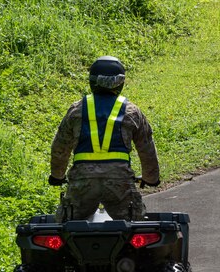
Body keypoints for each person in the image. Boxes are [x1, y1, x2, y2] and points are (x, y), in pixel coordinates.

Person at [49, 56, 160, 222]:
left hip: (82, 181)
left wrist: (57, 176)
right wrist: (151, 179)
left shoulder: (76, 110)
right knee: (133, 223)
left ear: (92, 81)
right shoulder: (132, 111)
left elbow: (60, 148)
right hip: (119, 181)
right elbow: (147, 149)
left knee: (69, 225)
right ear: (120, 83)